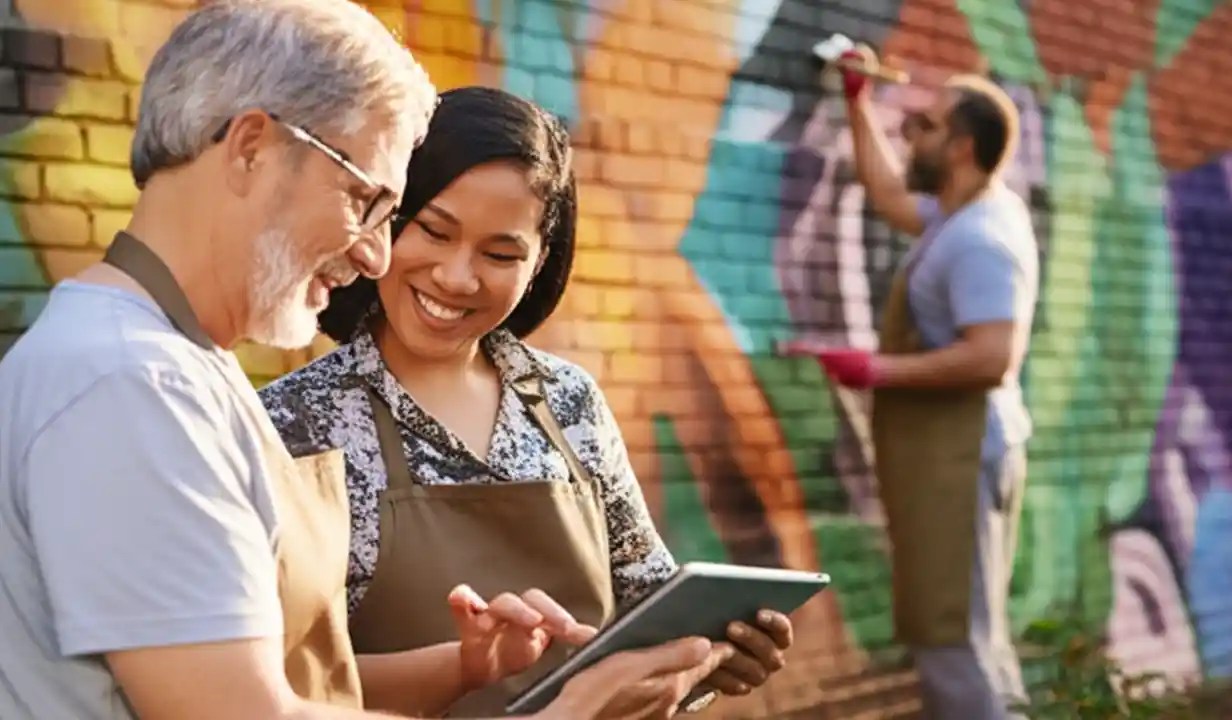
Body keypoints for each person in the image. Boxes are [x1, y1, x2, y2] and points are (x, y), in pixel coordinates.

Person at [0, 2, 729, 718]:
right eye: (365, 199)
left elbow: (292, 685)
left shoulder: (176, 369)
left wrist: (463, 667)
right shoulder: (132, 387)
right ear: (252, 146)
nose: (376, 253)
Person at [258, 85, 796, 717]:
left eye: (500, 253)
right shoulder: (293, 423)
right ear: (383, 220)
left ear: (540, 263)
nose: (458, 277)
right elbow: (279, 683)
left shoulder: (568, 402)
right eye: (433, 231)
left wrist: (707, 660)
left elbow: (645, 610)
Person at [786, 46, 1039, 719]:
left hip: (961, 460)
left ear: (959, 147)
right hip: (954, 457)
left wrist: (874, 369)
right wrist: (857, 100)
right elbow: (889, 192)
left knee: (950, 633)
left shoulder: (980, 238)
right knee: (969, 630)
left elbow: (992, 356)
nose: (909, 133)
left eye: (924, 126)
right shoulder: (960, 213)